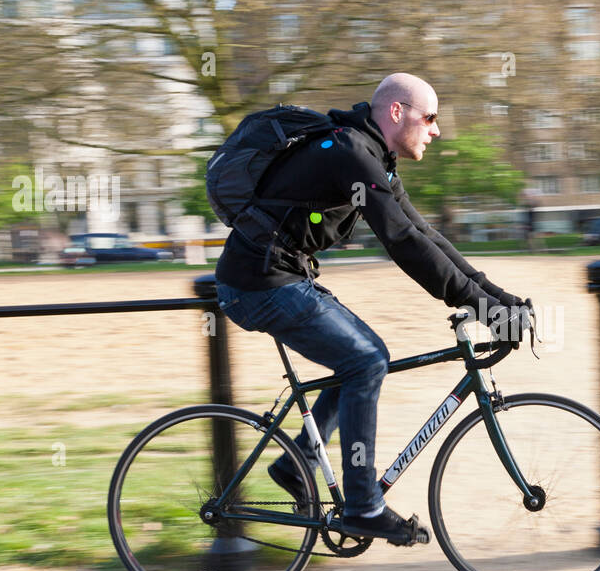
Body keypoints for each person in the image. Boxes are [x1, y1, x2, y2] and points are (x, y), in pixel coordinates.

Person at [214, 73, 526, 543]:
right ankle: (363, 505)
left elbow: (424, 234)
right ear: (396, 112)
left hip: (278, 278)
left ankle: (297, 462)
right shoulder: (350, 153)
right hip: (259, 284)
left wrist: (497, 299)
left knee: (362, 356)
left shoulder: (370, 158)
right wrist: (485, 309)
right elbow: (401, 243)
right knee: (365, 360)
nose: (436, 130)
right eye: (430, 117)